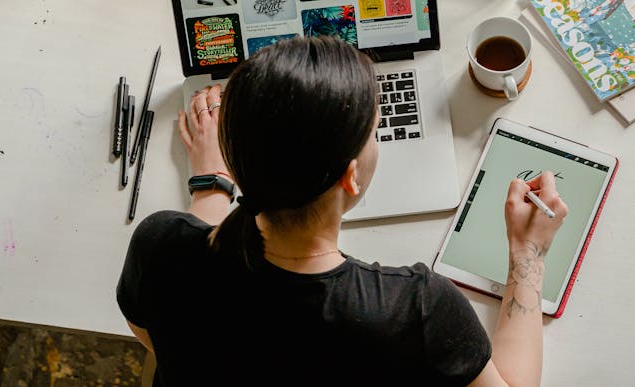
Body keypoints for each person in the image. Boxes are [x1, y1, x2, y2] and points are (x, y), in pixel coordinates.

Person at [117, 36, 568, 386]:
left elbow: (157, 334)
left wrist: (211, 182)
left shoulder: (159, 247)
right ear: (350, 178)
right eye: (374, 131)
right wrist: (528, 253)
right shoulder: (416, 311)